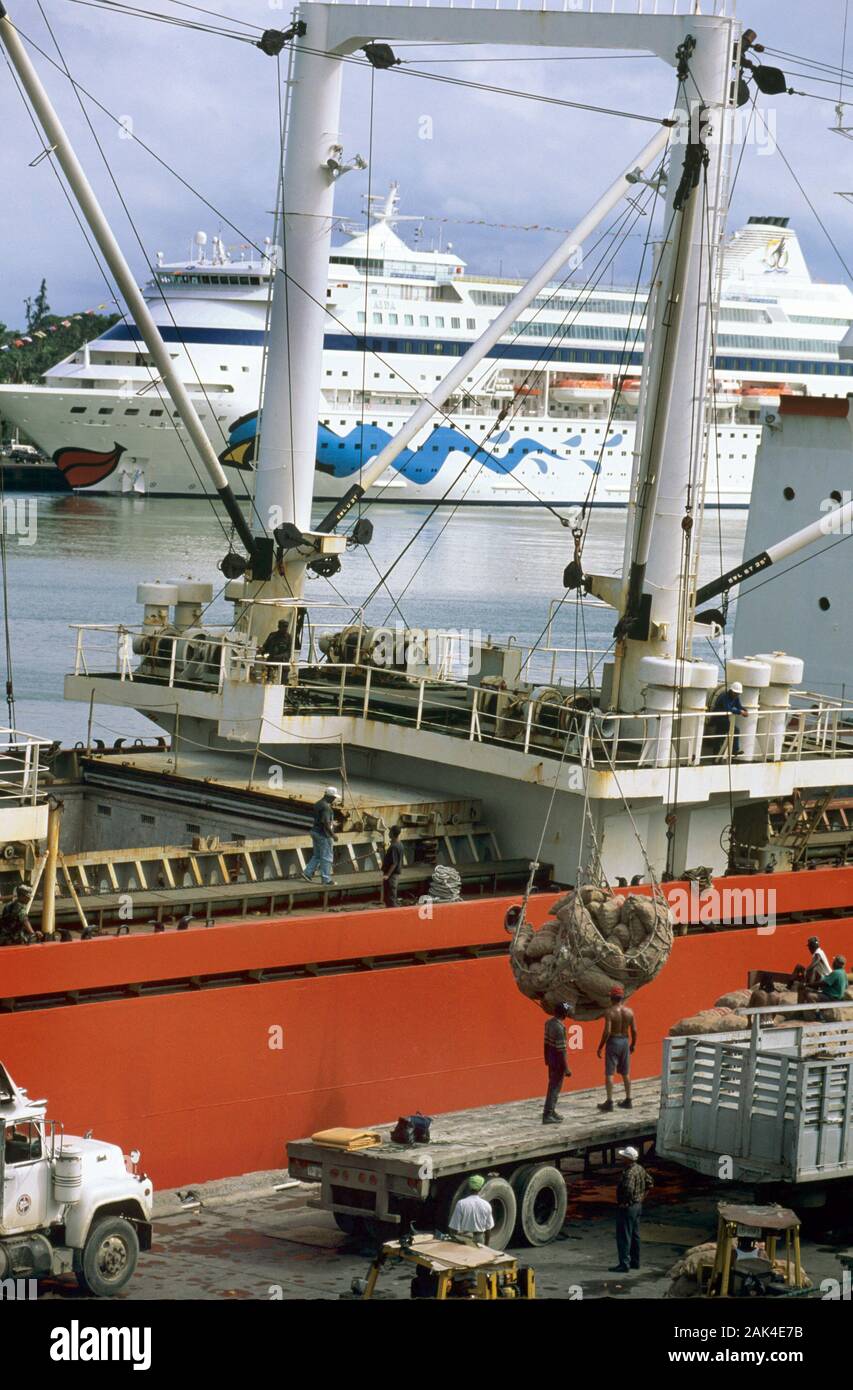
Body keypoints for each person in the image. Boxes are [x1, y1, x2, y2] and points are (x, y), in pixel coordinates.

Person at [610, 1146, 653, 1274]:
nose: (621, 1158)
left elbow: (628, 1190)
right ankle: (635, 1262)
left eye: (623, 1157)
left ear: (628, 1159)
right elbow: (650, 1183)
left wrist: (625, 1203)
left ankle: (624, 1264)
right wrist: (641, 1198)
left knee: (624, 1236)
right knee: (635, 1235)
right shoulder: (640, 1169)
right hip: (638, 1206)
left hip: (628, 1208)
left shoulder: (629, 1173)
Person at [597, 986, 636, 1112]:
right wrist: (633, 1044)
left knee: (610, 1072)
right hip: (625, 1041)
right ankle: (628, 1099)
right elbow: (634, 1030)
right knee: (626, 1072)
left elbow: (607, 1031)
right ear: (622, 998)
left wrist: (600, 1047)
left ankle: (609, 1101)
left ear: (611, 998)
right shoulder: (630, 1012)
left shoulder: (609, 1012)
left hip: (613, 1041)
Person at [543, 1002, 574, 1125]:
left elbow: (545, 1042)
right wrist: (566, 1068)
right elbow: (562, 1050)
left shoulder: (548, 1023)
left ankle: (551, 1111)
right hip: (558, 1061)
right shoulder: (560, 1028)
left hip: (550, 1058)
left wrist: (546, 1058)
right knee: (554, 1088)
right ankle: (548, 1114)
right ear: (564, 1014)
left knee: (552, 1085)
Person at [302, 787, 339, 886]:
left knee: (317, 855)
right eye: (333, 797)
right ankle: (326, 879)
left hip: (315, 832)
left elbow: (320, 819)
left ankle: (307, 873)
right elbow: (326, 824)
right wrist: (333, 835)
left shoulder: (318, 803)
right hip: (324, 835)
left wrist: (332, 822)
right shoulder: (326, 807)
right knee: (326, 857)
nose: (334, 799)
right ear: (329, 796)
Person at [448, 1174, 495, 1246]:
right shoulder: (486, 1205)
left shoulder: (461, 1203)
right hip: (479, 1238)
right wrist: (486, 1246)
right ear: (480, 1188)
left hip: (465, 1239)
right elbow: (488, 1229)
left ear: (469, 1188)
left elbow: (454, 1227)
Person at [705, 681, 745, 760]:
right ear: (731, 691)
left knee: (719, 737)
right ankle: (734, 750)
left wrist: (745, 710)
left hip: (725, 718)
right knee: (735, 730)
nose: (737, 695)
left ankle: (715, 758)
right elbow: (728, 709)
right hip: (718, 718)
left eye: (738, 693)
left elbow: (739, 706)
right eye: (735, 693)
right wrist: (740, 712)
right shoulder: (724, 697)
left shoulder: (736, 697)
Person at [382, 826, 403, 908]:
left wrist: (387, 875)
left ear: (393, 834)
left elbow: (394, 863)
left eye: (390, 832)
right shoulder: (399, 844)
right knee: (390, 897)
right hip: (394, 875)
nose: (388, 833)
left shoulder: (394, 847)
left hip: (391, 876)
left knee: (390, 898)